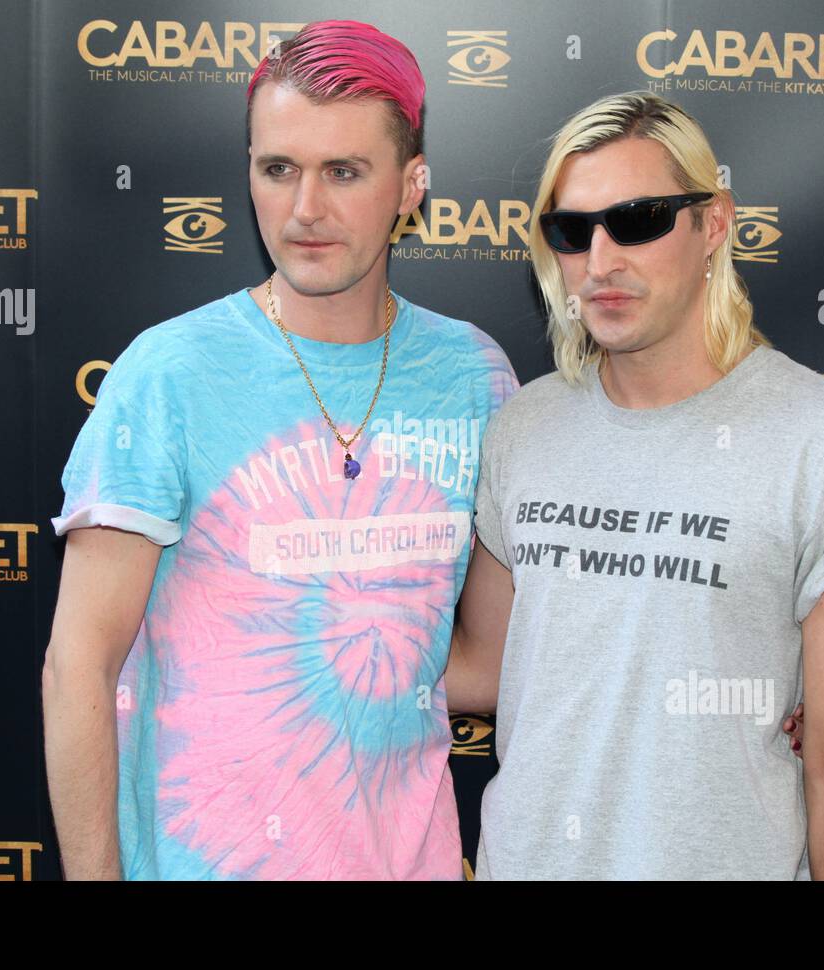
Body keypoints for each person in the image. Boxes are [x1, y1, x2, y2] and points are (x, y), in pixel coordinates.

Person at [41, 20, 518, 880]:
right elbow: (80, 663)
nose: (306, 209)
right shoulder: (171, 373)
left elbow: (491, 660)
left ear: (412, 185)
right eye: (278, 169)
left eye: (344, 171)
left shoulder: (475, 376)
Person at [446, 92, 824, 879]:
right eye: (572, 231)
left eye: (638, 220)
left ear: (715, 224)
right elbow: (487, 669)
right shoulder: (522, 430)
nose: (600, 263)